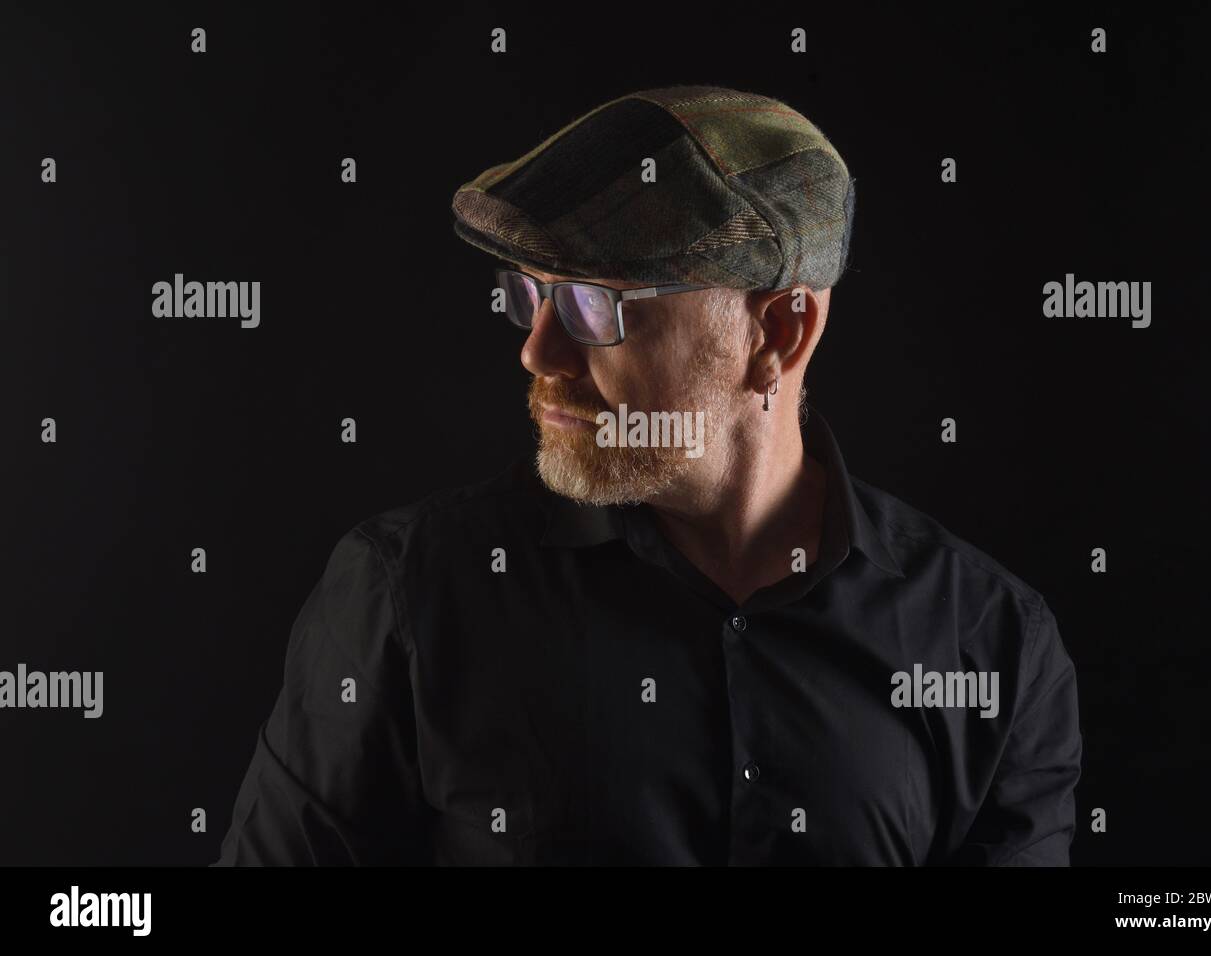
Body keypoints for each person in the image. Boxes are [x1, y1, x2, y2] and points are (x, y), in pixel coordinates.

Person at [214, 84, 1082, 866]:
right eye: (531, 291)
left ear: (779, 333)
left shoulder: (990, 644)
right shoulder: (408, 593)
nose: (537, 348)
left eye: (595, 302)